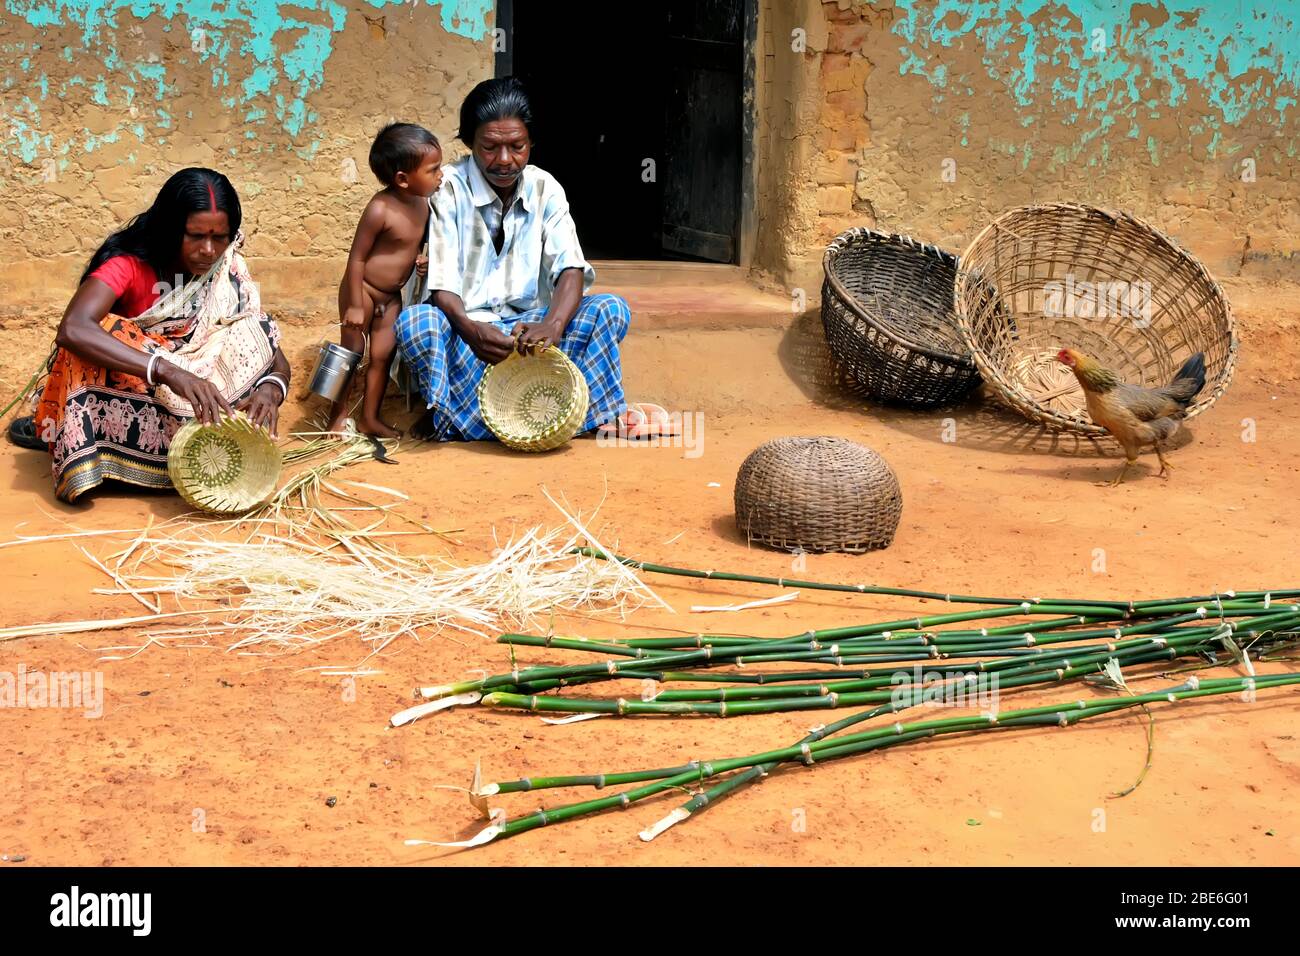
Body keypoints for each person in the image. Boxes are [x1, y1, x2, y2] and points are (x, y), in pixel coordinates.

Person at [18, 168, 291, 503]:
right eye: (195, 236)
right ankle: (110, 458)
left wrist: (271, 388)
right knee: (104, 332)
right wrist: (167, 370)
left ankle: (198, 451)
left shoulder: (227, 271)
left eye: (219, 237)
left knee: (256, 327)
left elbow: (270, 350)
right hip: (148, 390)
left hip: (200, 402)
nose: (209, 250)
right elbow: (73, 328)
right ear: (170, 230)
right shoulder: (128, 265)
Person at [395, 77, 632, 441]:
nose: (504, 160)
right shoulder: (449, 189)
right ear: (469, 144)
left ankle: (527, 419)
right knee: (417, 322)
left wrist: (552, 325)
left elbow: (570, 266)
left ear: (531, 143)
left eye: (517, 146)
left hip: (532, 337)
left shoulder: (545, 187)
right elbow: (441, 284)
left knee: (610, 309)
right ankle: (487, 421)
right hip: (470, 337)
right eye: (489, 147)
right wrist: (472, 331)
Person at [326, 123, 443, 438]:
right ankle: (335, 418)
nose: (440, 175)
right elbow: (357, 259)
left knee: (381, 356)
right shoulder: (380, 209)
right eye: (432, 170)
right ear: (403, 179)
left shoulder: (424, 204)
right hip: (363, 290)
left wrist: (422, 260)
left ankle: (369, 418)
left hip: (391, 297)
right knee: (351, 353)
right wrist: (353, 304)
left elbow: (413, 244)